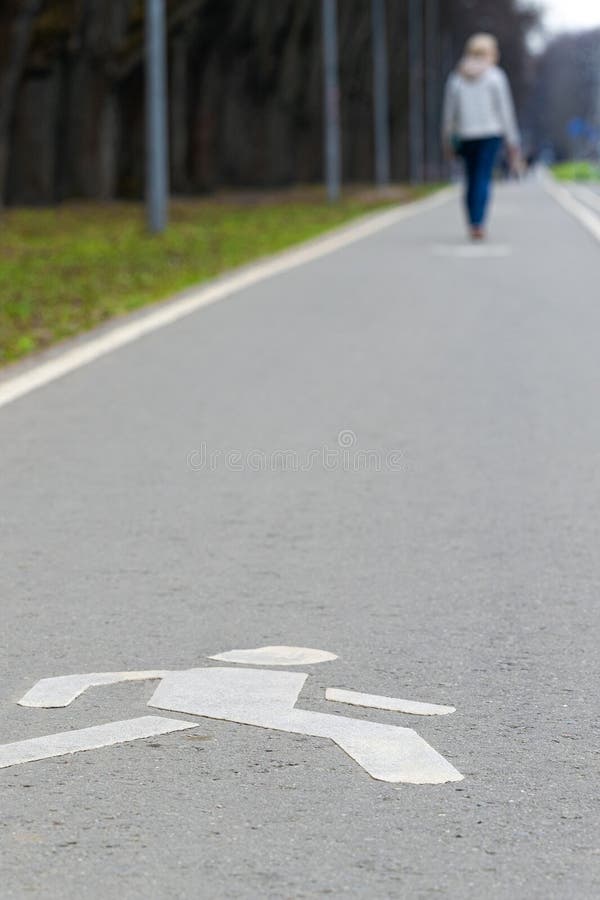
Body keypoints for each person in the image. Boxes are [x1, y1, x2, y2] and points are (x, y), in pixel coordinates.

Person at [442, 33, 520, 240]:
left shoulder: (456, 78)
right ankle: (478, 223)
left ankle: (472, 221)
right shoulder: (495, 76)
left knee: (470, 178)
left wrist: (447, 138)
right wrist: (512, 140)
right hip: (490, 134)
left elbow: (449, 113)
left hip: (465, 135)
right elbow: (505, 111)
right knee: (483, 177)